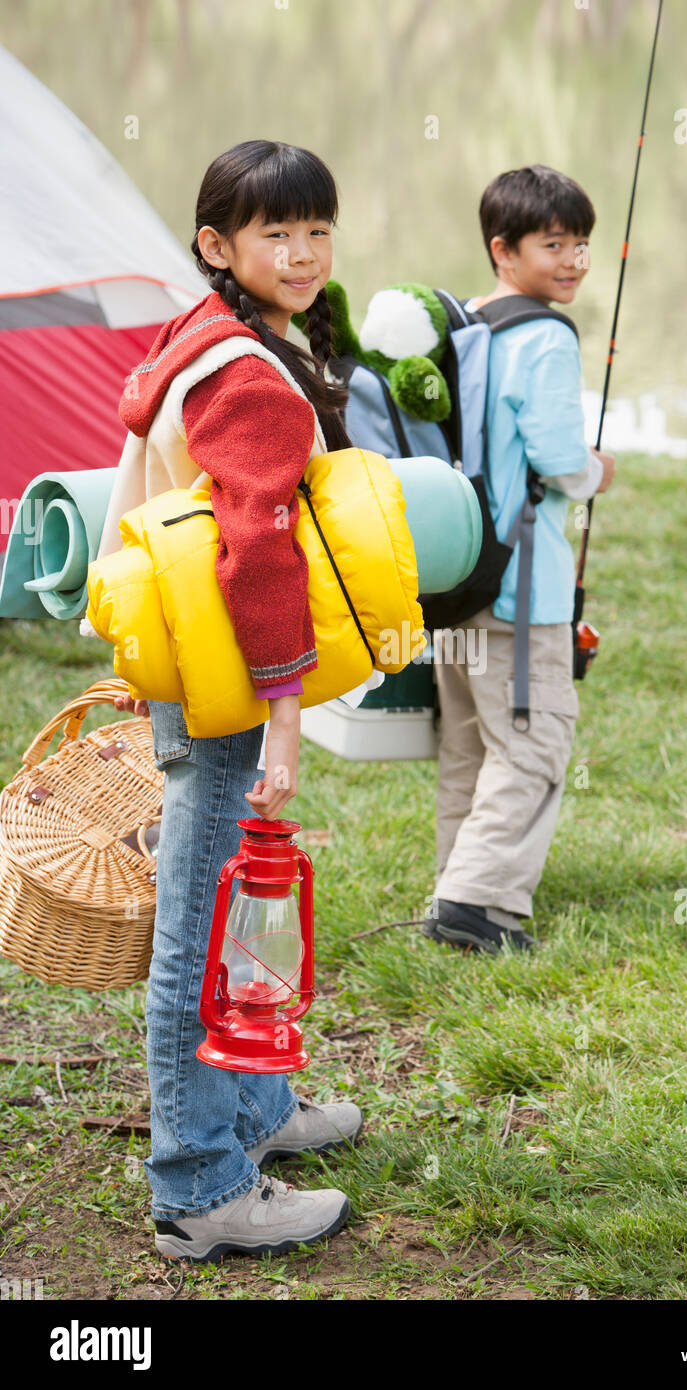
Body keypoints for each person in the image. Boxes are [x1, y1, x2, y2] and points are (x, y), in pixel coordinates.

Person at [103, 141, 363, 1261]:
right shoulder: (250, 374)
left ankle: (255, 1112)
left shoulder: (197, 334)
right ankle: (200, 1186)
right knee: (204, 928)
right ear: (219, 245)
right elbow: (254, 554)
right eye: (275, 233)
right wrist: (289, 719)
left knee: (220, 914)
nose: (301, 253)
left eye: (316, 229)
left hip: (187, 660)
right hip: (223, 682)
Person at [423, 164, 615, 955]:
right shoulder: (542, 337)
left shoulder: (466, 326)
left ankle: (455, 888)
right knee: (531, 743)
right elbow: (561, 458)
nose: (571, 260)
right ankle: (475, 907)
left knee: (468, 745)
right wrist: (600, 470)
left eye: (582, 245)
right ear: (505, 250)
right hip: (519, 590)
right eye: (553, 244)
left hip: (456, 574)